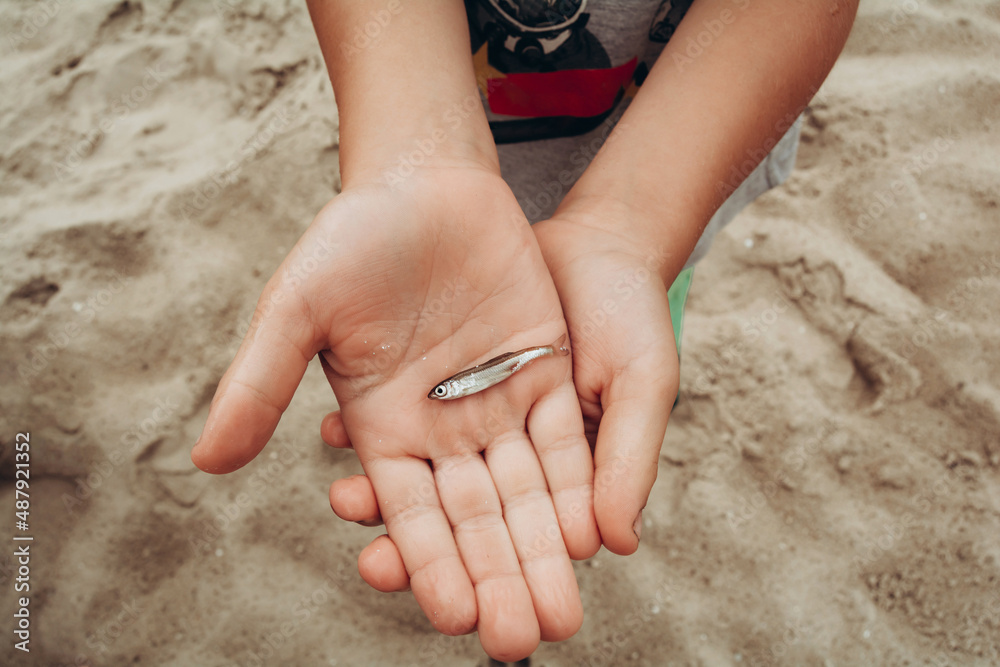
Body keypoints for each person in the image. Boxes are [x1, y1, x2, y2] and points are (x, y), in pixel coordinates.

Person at [191, 0, 858, 661]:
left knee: (620, 358)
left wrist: (634, 231)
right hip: (437, 166)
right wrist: (408, 158)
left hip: (665, 180)